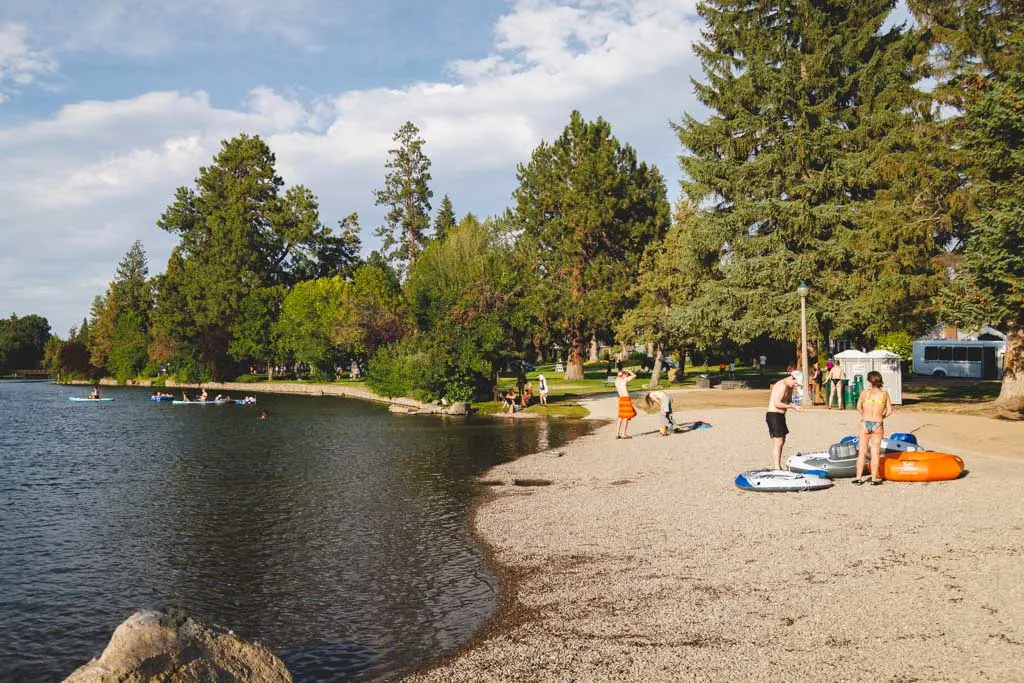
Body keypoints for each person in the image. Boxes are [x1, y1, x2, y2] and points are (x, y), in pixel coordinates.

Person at [852, 370, 895, 485]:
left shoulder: (864, 393)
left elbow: (858, 407)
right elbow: (890, 411)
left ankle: (858, 478)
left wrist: (864, 416)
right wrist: (881, 418)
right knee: (875, 452)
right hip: (877, 424)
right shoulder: (884, 394)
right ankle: (874, 478)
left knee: (862, 452)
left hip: (864, 423)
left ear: (869, 381)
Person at [766, 371, 803, 470]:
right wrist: (792, 407)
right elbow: (777, 403)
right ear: (792, 377)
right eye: (795, 383)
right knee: (778, 442)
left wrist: (794, 405)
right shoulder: (782, 386)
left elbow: (788, 401)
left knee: (782, 441)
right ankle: (777, 467)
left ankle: (778, 466)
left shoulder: (789, 387)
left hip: (781, 416)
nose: (795, 385)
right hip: (774, 415)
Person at [615, 368, 637, 439]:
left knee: (620, 416)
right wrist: (627, 370)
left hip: (621, 399)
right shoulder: (624, 380)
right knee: (626, 417)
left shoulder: (616, 380)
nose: (627, 376)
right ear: (624, 374)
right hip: (626, 399)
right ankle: (623, 434)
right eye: (626, 375)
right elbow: (634, 375)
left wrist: (621, 373)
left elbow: (618, 376)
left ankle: (617, 433)